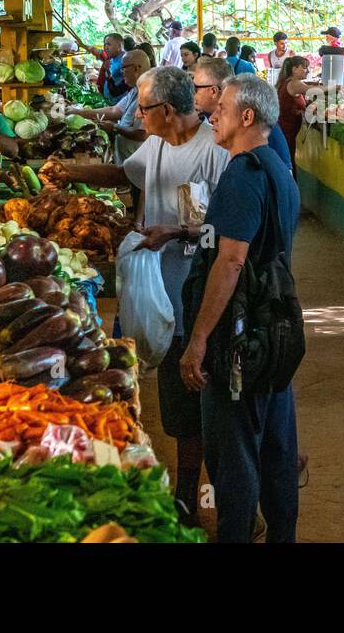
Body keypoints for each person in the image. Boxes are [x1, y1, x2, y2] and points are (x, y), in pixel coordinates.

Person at [179, 74, 301, 543]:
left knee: (233, 462)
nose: (212, 113)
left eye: (222, 107)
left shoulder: (243, 175)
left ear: (246, 117)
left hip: (240, 337)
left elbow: (230, 263)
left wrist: (199, 340)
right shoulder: (277, 169)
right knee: (275, 453)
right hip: (276, 331)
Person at [125, 66, 231, 527]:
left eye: (143, 108)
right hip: (166, 296)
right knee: (179, 405)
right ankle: (189, 494)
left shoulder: (216, 153)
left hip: (204, 297)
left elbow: (230, 237)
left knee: (208, 403)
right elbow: (123, 174)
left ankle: (205, 498)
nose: (137, 116)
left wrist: (178, 230)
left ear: (166, 110)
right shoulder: (156, 145)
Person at [194, 57, 292, 169]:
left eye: (195, 88)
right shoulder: (205, 117)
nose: (192, 94)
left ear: (213, 91)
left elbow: (284, 174)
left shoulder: (259, 122)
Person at [277, 56, 309, 174]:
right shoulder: (294, 84)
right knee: (288, 166)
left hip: (287, 132)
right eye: (304, 68)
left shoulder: (286, 83)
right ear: (294, 69)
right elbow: (314, 90)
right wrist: (335, 87)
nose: (307, 70)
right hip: (286, 133)